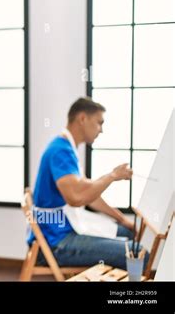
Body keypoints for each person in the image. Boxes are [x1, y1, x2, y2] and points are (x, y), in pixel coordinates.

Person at [28, 97, 149, 270]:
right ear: (83, 118)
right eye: (99, 123)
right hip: (56, 242)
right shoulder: (60, 151)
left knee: (128, 232)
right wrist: (113, 176)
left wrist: (122, 219)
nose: (101, 130)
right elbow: (76, 199)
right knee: (138, 253)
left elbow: (89, 197)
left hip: (61, 231)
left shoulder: (67, 149)